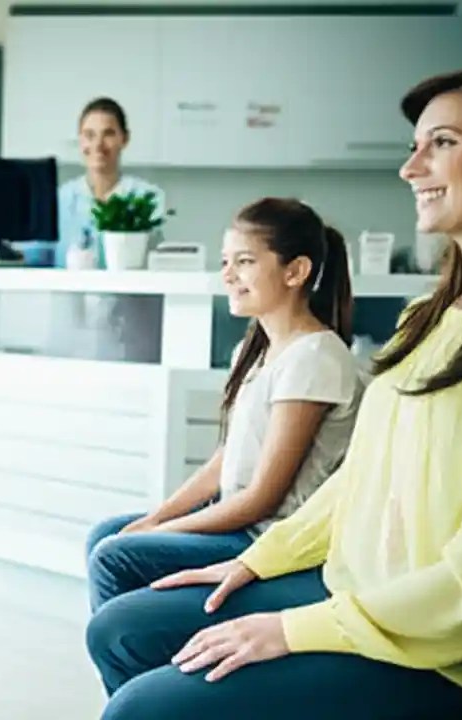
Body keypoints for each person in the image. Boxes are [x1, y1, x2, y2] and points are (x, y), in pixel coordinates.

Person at [85, 58, 462, 720]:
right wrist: (258, 562)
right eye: (414, 148)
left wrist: (289, 629)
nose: (411, 169)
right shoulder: (424, 322)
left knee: (144, 708)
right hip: (356, 591)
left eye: (443, 143)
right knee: (118, 631)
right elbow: (360, 481)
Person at [84, 198, 363, 613]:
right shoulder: (254, 351)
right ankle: (148, 654)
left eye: (244, 261)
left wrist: (162, 528)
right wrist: (156, 518)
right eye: (225, 261)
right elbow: (223, 460)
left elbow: (262, 500)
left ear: (296, 271)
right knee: (107, 534)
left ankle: (143, 656)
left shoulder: (315, 357)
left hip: (266, 538)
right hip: (241, 522)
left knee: (115, 553)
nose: (228, 275)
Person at [55, 97, 165, 269]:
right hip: (71, 295)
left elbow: (159, 264)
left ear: (125, 139)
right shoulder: (60, 199)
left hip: (127, 295)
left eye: (108, 134)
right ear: (80, 140)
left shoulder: (146, 198)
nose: (98, 144)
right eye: (89, 135)